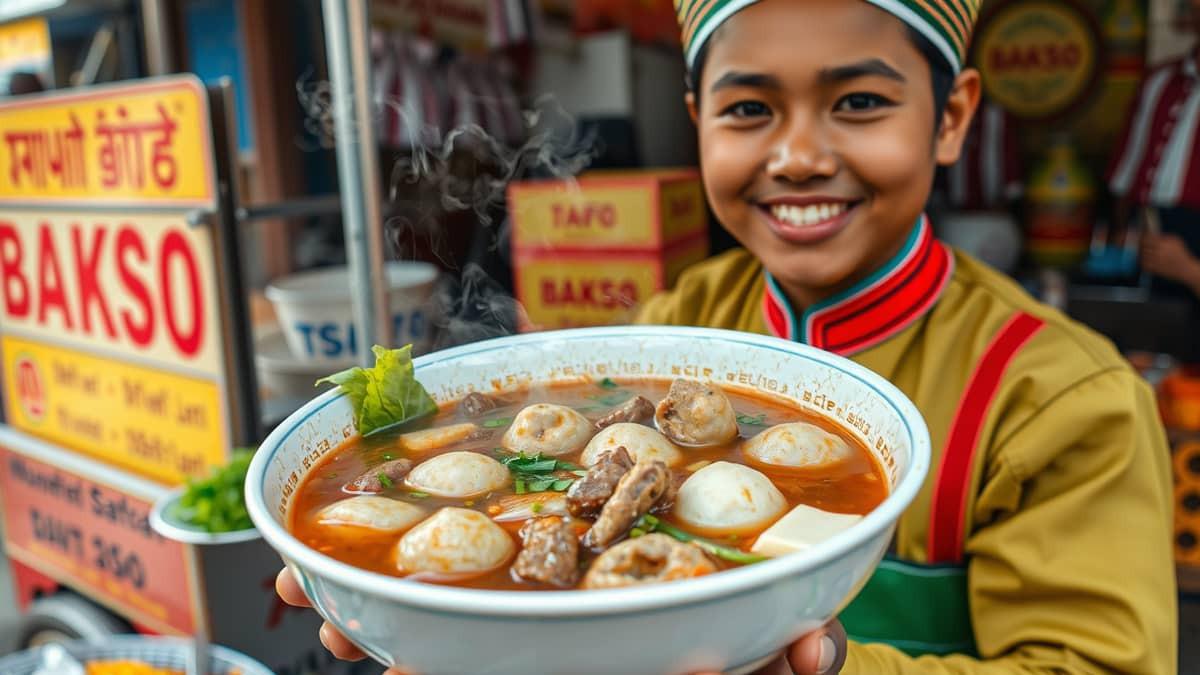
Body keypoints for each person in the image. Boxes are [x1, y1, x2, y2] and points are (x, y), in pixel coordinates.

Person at [280, 0, 1177, 672]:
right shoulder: (678, 319)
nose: (796, 155)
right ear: (698, 117)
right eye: (749, 110)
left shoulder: (1059, 398)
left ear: (949, 118)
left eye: (859, 101)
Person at [1111, 0, 1200, 302]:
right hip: (1147, 240)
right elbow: (1126, 175)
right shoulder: (1159, 81)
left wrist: (1189, 270)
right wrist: (1122, 238)